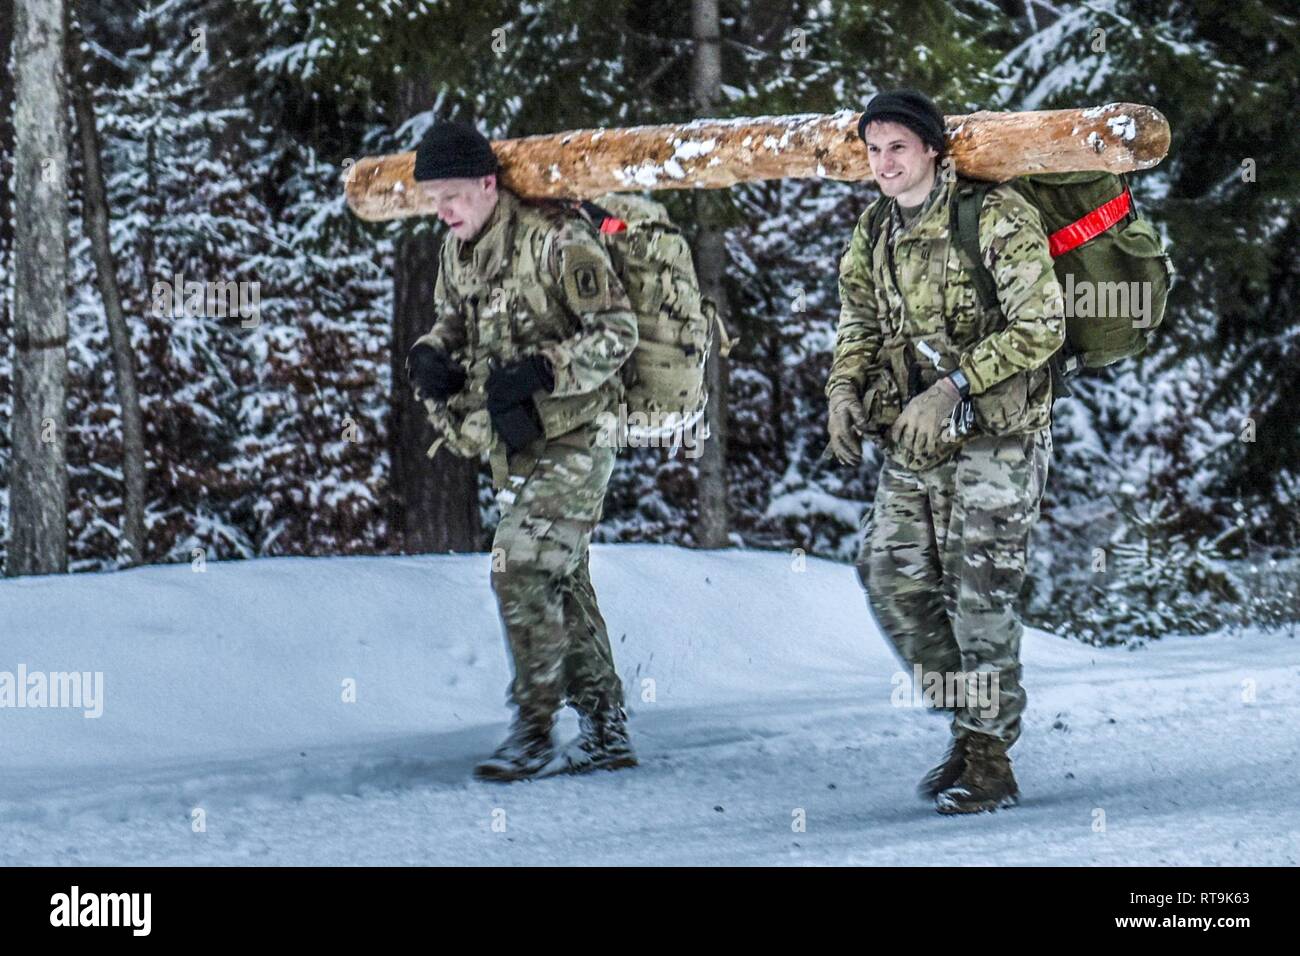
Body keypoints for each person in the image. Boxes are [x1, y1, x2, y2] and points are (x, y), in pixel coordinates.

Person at [825, 90, 1066, 813]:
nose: (884, 163)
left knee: (978, 591)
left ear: (932, 148)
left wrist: (957, 383)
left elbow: (1043, 323)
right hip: (916, 436)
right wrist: (843, 390)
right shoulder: (874, 231)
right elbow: (858, 319)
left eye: (898, 146)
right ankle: (970, 719)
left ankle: (989, 756)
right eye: (873, 150)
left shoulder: (992, 217)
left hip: (999, 435)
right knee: (889, 577)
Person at [405, 121, 639, 782]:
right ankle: (606, 729)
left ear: (487, 184)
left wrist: (545, 369)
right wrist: (433, 356)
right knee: (558, 573)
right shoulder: (459, 250)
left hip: (579, 429)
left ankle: (533, 728)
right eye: (432, 198)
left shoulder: (558, 239)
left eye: (451, 195)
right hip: (516, 439)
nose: (441, 210)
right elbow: (452, 317)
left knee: (520, 564)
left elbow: (617, 332)